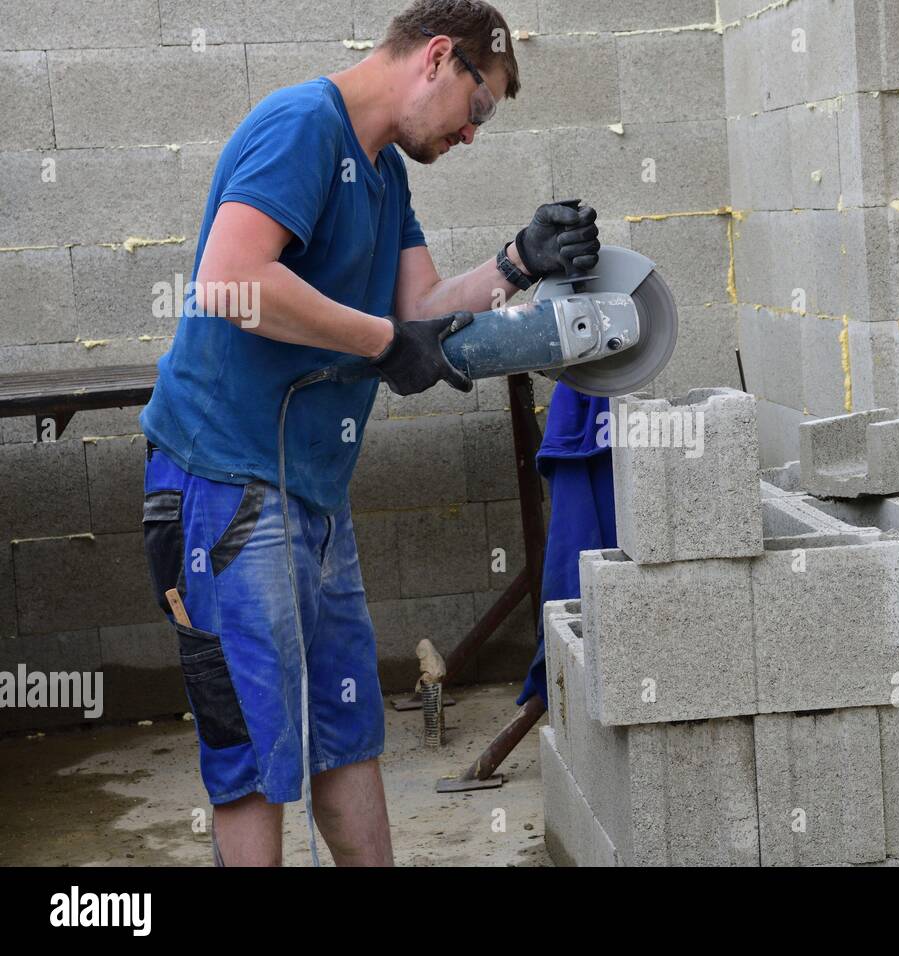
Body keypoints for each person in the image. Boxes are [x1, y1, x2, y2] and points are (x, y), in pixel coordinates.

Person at [137, 0, 599, 866]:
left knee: (346, 732)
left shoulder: (386, 173)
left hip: (311, 495)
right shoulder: (302, 127)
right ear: (436, 58)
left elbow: (420, 312)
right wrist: (382, 343)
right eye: (481, 105)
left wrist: (520, 262)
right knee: (253, 759)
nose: (474, 133)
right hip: (225, 487)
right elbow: (231, 278)